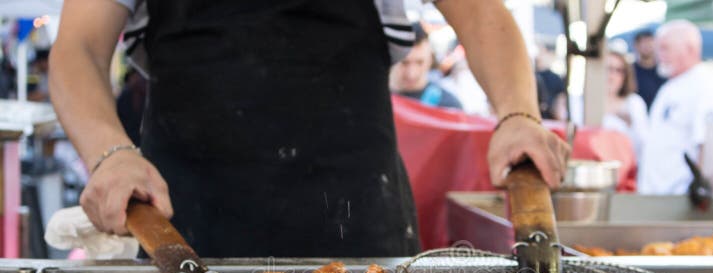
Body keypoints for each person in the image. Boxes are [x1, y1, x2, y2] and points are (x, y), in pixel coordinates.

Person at [49, 0, 569, 257]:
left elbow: (481, 15)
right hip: (187, 231)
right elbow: (78, 48)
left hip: (361, 229)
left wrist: (518, 114)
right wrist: (109, 153)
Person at [638, 20, 713, 195]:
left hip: (679, 198)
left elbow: (709, 144)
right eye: (658, 49)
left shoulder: (705, 85)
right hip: (655, 195)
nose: (659, 55)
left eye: (665, 48)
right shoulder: (670, 85)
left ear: (690, 49)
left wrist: (699, 188)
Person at [390, 24, 462, 110]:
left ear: (430, 59)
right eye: (404, 63)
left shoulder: (448, 106)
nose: (412, 74)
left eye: (420, 63)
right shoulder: (377, 98)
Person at [602, 50, 648, 163]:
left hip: (625, 167)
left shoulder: (634, 103)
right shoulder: (582, 102)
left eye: (618, 70)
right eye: (608, 69)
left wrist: (630, 123)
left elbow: (644, 144)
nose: (611, 75)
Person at [632, 30, 666, 110]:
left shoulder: (665, 69)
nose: (646, 46)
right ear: (636, 46)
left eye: (649, 42)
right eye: (643, 43)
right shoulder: (630, 71)